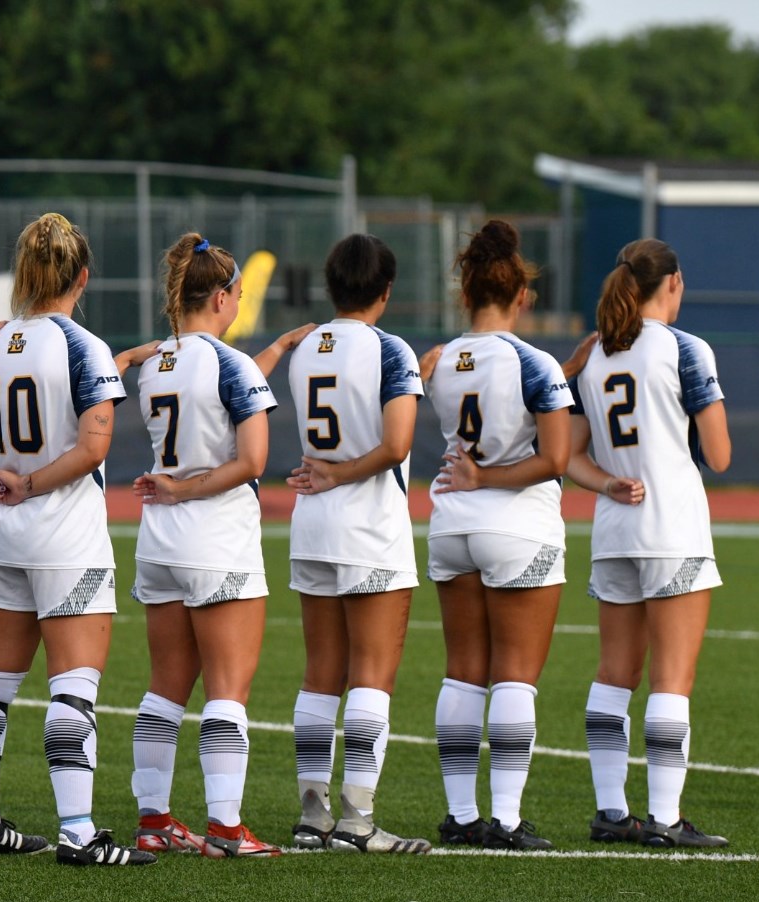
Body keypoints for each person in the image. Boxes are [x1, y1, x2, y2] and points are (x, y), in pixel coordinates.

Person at [0, 212, 153, 868]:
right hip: (63, 533)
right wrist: (35, 483)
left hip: (5, 535)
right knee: (74, 687)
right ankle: (77, 830)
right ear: (82, 276)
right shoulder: (82, 345)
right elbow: (93, 447)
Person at [127, 233, 311, 859]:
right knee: (227, 690)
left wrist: (278, 349)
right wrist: (187, 489)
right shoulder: (227, 363)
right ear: (225, 296)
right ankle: (226, 829)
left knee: (163, 687)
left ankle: (154, 818)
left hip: (159, 544)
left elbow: (202, 377)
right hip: (216, 540)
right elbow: (253, 459)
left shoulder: (157, 362)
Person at [565, 238, 732, 849]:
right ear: (674, 283)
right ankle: (663, 818)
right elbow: (719, 456)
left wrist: (610, 480)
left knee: (614, 675)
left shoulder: (598, 353)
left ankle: (612, 812)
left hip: (614, 533)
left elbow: (568, 458)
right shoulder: (686, 349)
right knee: (672, 679)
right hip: (672, 529)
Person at [424, 220, 574, 852]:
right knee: (514, 676)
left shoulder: (439, 359)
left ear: (466, 291)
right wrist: (491, 475)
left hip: (451, 522)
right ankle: (507, 820)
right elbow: (557, 458)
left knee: (462, 673)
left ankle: (461, 817)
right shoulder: (533, 359)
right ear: (522, 295)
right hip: (516, 524)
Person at [283, 233, 430, 854]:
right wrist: (343, 473)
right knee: (371, 675)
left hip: (312, 522)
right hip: (368, 526)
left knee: (321, 674)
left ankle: (312, 814)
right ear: (386, 291)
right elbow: (397, 447)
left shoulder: (305, 348)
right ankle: (357, 820)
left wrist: (329, 474)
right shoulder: (390, 348)